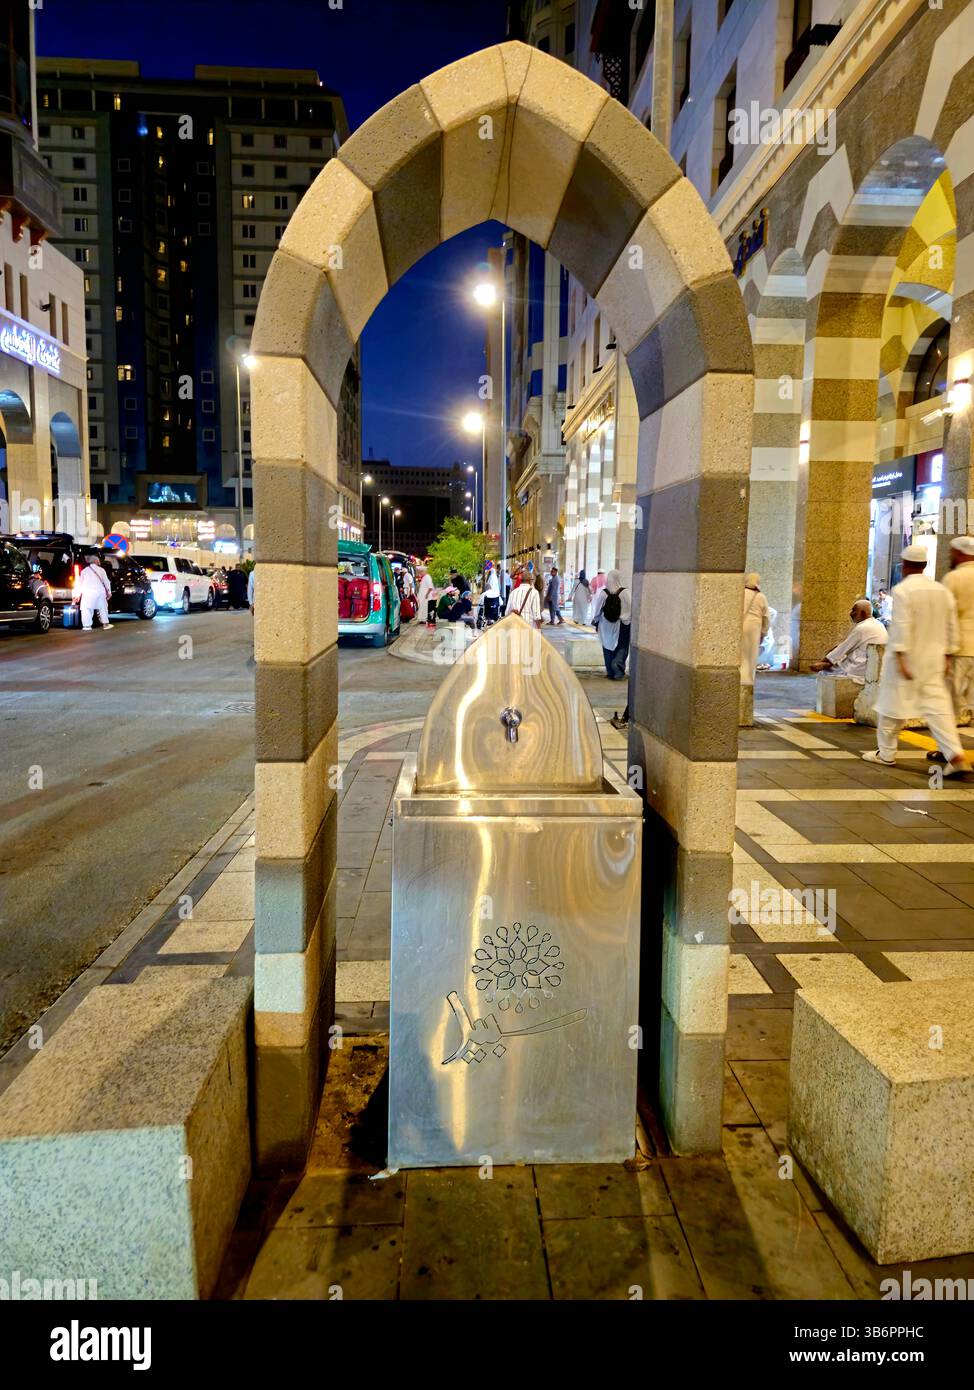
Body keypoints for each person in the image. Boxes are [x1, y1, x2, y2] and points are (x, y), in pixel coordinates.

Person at [864, 542, 967, 775]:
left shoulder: (903, 591)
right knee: (938, 709)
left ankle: (886, 753)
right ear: (924, 565)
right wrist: (948, 656)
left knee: (891, 707)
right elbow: (951, 626)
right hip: (935, 660)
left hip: (908, 659)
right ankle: (955, 755)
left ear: (905, 566)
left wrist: (901, 657)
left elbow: (901, 625)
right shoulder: (941, 590)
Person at [809, 599, 887, 683]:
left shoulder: (862, 628)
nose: (850, 613)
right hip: (876, 667)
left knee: (824, 672)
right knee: (838, 655)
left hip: (859, 670)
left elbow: (842, 649)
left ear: (863, 613)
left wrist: (824, 662)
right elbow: (844, 646)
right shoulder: (878, 624)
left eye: (854, 611)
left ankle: (829, 666)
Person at [942, 536, 974, 725]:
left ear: (960, 554)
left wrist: (946, 651)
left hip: (960, 648)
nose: (950, 557)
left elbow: (946, 616)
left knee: (950, 703)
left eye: (951, 553)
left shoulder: (953, 577)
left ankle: (948, 748)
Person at [591, 568, 631, 679]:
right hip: (622, 624)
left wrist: (596, 622)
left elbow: (597, 610)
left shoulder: (604, 593)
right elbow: (631, 610)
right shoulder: (626, 593)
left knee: (607, 647)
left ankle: (609, 671)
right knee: (622, 646)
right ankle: (618, 669)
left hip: (606, 625)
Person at [740, 573, 771, 690]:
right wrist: (764, 632)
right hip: (754, 627)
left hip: (741, 625)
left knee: (741, 653)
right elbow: (766, 617)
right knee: (751, 653)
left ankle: (740, 678)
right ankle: (748, 680)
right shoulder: (761, 596)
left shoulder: (740, 593)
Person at [75, 554, 113, 631]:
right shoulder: (101, 570)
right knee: (103, 608)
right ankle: (105, 624)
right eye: (98, 561)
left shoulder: (84, 571)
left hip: (87, 593)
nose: (99, 562)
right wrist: (109, 592)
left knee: (86, 609)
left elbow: (79, 583)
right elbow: (106, 582)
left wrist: (77, 595)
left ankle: (86, 626)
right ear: (96, 561)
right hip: (100, 592)